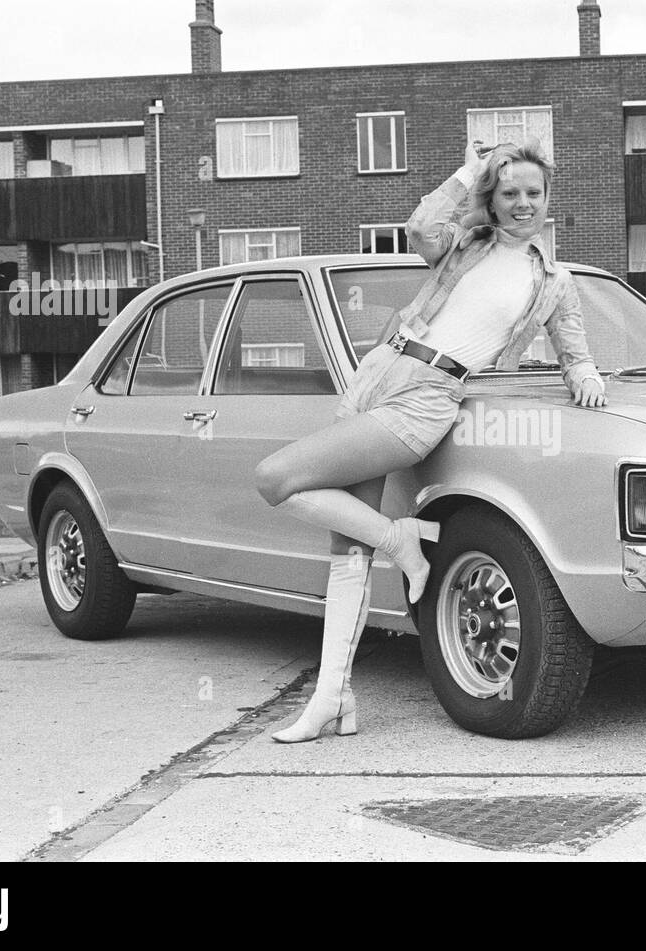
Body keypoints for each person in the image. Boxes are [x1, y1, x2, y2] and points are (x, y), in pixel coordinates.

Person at [253, 136, 607, 743]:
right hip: (380, 374)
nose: (523, 203)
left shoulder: (553, 280)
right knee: (347, 551)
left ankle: (402, 540)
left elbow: (574, 349)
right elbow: (421, 225)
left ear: (549, 200)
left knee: (276, 478)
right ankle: (332, 698)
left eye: (534, 193)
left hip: (429, 399)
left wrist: (585, 373)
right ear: (492, 201)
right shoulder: (465, 245)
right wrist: (470, 167)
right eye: (510, 192)